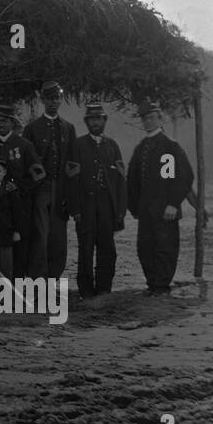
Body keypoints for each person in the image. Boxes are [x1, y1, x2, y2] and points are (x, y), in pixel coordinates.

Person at [127, 101, 193, 295]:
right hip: (146, 210)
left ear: (160, 118)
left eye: (151, 118)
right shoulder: (142, 148)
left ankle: (161, 287)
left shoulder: (168, 146)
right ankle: (152, 284)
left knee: (164, 248)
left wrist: (172, 204)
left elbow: (180, 178)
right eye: (144, 119)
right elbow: (133, 180)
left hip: (165, 211)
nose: (148, 122)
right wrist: (134, 207)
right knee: (145, 247)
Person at [68, 102, 127, 298]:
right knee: (85, 248)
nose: (95, 122)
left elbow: (119, 181)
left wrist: (119, 210)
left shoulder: (112, 146)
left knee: (107, 248)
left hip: (106, 206)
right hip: (85, 205)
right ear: (86, 122)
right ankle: (86, 291)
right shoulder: (78, 145)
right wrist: (75, 208)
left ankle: (104, 289)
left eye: (98, 118)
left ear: (104, 121)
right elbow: (72, 179)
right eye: (91, 119)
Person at [22, 80, 78, 282]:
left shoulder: (68, 128)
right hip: (40, 189)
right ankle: (38, 279)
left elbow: (72, 164)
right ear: (43, 100)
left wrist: (69, 193)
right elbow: (26, 162)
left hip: (60, 189)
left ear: (61, 99)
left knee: (58, 236)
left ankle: (54, 278)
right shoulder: (32, 129)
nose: (54, 102)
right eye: (50, 98)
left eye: (57, 98)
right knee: (40, 235)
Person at [0, 103, 46, 273]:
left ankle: (18, 289)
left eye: (5, 121)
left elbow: (39, 173)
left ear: (12, 122)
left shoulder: (24, 145)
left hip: (20, 207)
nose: (1, 125)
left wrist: (19, 187)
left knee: (21, 248)